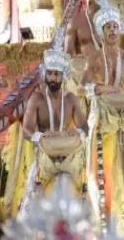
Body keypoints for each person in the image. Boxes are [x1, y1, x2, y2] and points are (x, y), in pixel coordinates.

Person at [83, 0, 124, 239]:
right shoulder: (96, 58)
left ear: (120, 30)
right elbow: (84, 86)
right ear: (102, 32)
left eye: (115, 27)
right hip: (102, 120)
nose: (111, 31)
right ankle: (102, 221)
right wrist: (105, 89)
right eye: (107, 27)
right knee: (101, 171)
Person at [22, 39, 88, 199]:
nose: (52, 78)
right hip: (45, 158)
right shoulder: (36, 99)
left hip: (68, 157)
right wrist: (41, 136)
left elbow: (85, 128)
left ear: (63, 76)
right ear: (45, 74)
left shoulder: (71, 99)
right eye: (50, 73)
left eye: (57, 74)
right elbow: (26, 130)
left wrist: (74, 133)